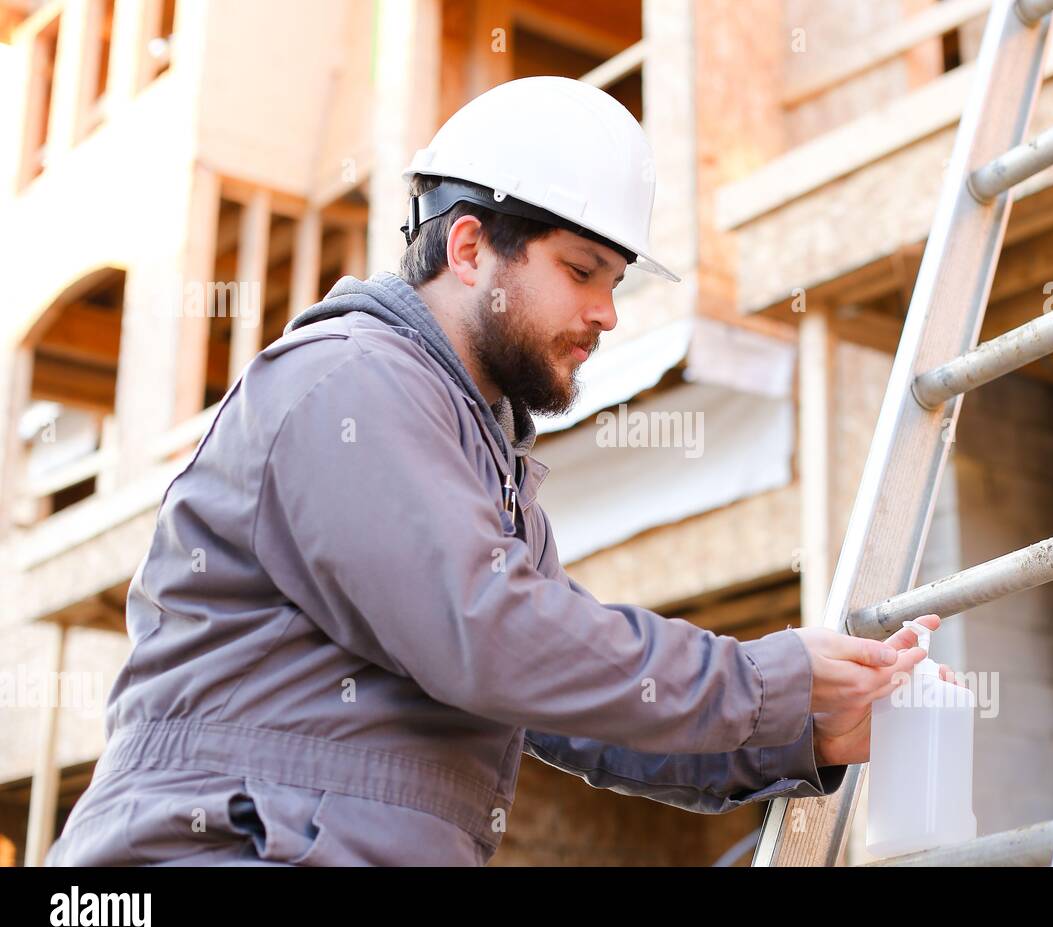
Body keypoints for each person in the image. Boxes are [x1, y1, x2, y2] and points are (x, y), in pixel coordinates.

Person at [47, 76, 956, 867]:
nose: (606, 313)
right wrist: (768, 678)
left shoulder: (483, 454)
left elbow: (566, 707)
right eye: (582, 271)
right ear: (471, 246)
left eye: (616, 282)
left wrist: (804, 733)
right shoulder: (350, 385)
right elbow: (492, 636)